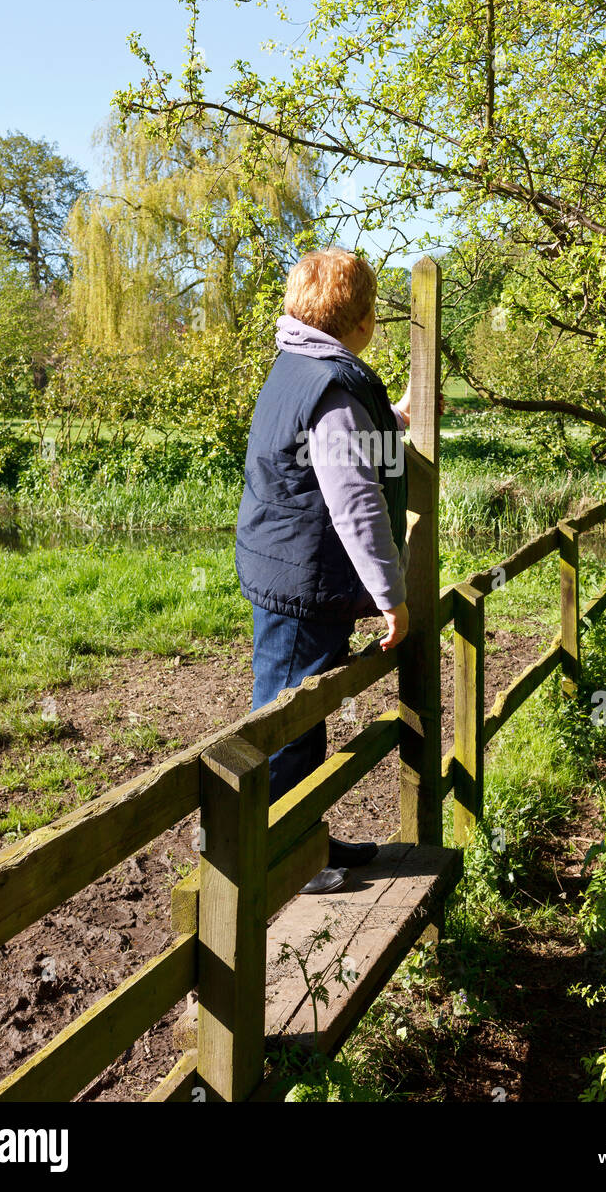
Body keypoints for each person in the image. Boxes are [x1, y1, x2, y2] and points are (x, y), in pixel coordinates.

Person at [235, 246, 412, 892]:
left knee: (300, 715)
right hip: (299, 583)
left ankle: (304, 833)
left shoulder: (298, 365)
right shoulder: (332, 388)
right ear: (362, 321)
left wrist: (397, 419)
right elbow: (355, 500)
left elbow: (332, 444)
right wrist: (391, 594)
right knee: (285, 722)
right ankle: (283, 855)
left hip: (288, 573)